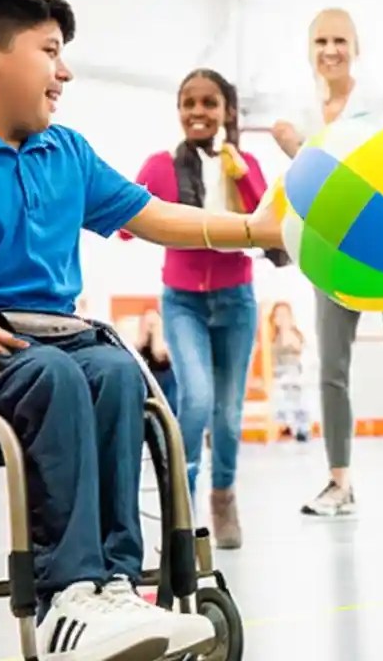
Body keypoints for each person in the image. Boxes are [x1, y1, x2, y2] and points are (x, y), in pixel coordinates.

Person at [0, 0, 283, 661]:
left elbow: (155, 217)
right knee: (57, 376)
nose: (65, 71)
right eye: (50, 50)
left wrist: (257, 232)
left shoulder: (68, 154)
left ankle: (116, 584)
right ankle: (70, 597)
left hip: (54, 341)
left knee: (118, 372)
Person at [272, 7, 383, 515]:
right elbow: (310, 182)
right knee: (331, 366)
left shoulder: (379, 104)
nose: (331, 50)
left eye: (340, 41)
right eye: (321, 41)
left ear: (356, 47)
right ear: (310, 50)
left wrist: (303, 148)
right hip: (332, 250)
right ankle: (339, 482)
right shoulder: (300, 110)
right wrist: (300, 148)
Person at [122, 68, 271, 550]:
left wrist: (243, 178)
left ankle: (223, 496)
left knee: (228, 413)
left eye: (209, 103)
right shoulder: (161, 165)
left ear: (227, 111)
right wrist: (137, 196)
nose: (198, 112)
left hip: (236, 301)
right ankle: (179, 512)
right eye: (189, 103)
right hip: (182, 302)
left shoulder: (243, 163)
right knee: (198, 400)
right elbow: (126, 225)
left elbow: (268, 224)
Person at [269, 301, 310, 442]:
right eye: (278, 316)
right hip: (279, 375)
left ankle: (301, 428)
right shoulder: (273, 337)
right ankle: (285, 426)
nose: (281, 319)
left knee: (297, 401)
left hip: (294, 373)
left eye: (285, 315)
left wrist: (287, 330)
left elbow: (295, 347)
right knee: (281, 400)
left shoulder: (292, 334)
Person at [134, 308, 176, 416]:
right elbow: (136, 350)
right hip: (149, 379)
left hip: (166, 380)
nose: (149, 328)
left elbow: (160, 353)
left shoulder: (167, 341)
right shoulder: (138, 348)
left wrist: (157, 331)